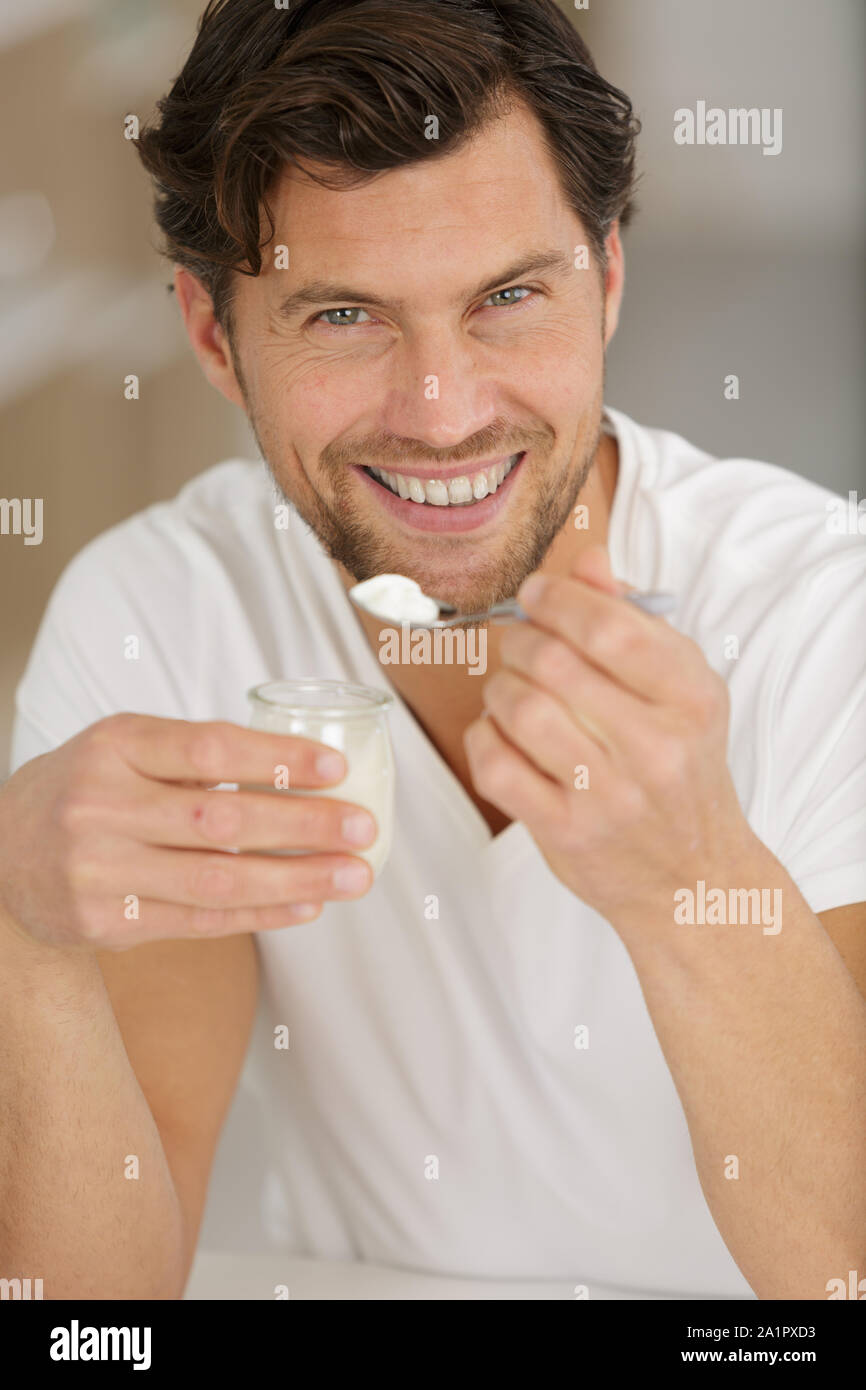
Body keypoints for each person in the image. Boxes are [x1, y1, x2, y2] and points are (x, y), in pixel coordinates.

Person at [1, 0, 864, 1301]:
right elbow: (93, 1315)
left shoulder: (823, 619)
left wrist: (690, 876)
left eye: (507, 297)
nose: (443, 412)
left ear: (609, 277)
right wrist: (22, 931)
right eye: (344, 317)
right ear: (209, 335)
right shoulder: (162, 612)